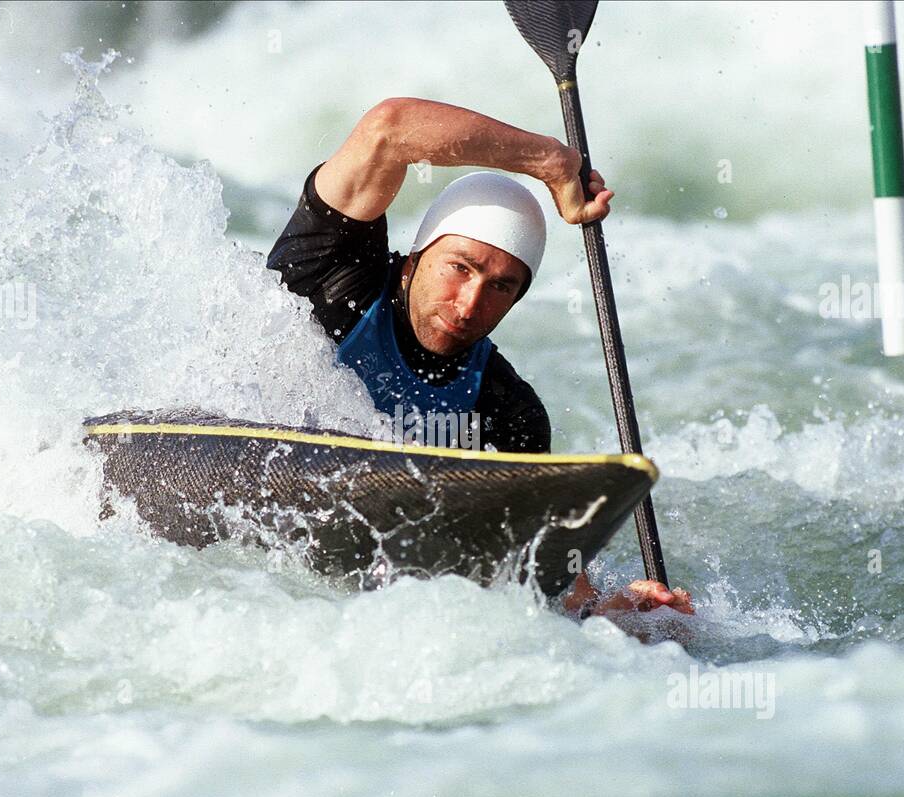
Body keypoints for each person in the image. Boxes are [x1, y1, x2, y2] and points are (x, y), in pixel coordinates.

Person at [267, 96, 692, 621]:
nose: (470, 304)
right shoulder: (330, 273)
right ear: (418, 255)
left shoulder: (507, 411)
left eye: (501, 287)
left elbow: (542, 583)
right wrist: (550, 162)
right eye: (460, 268)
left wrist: (622, 615)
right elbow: (390, 127)